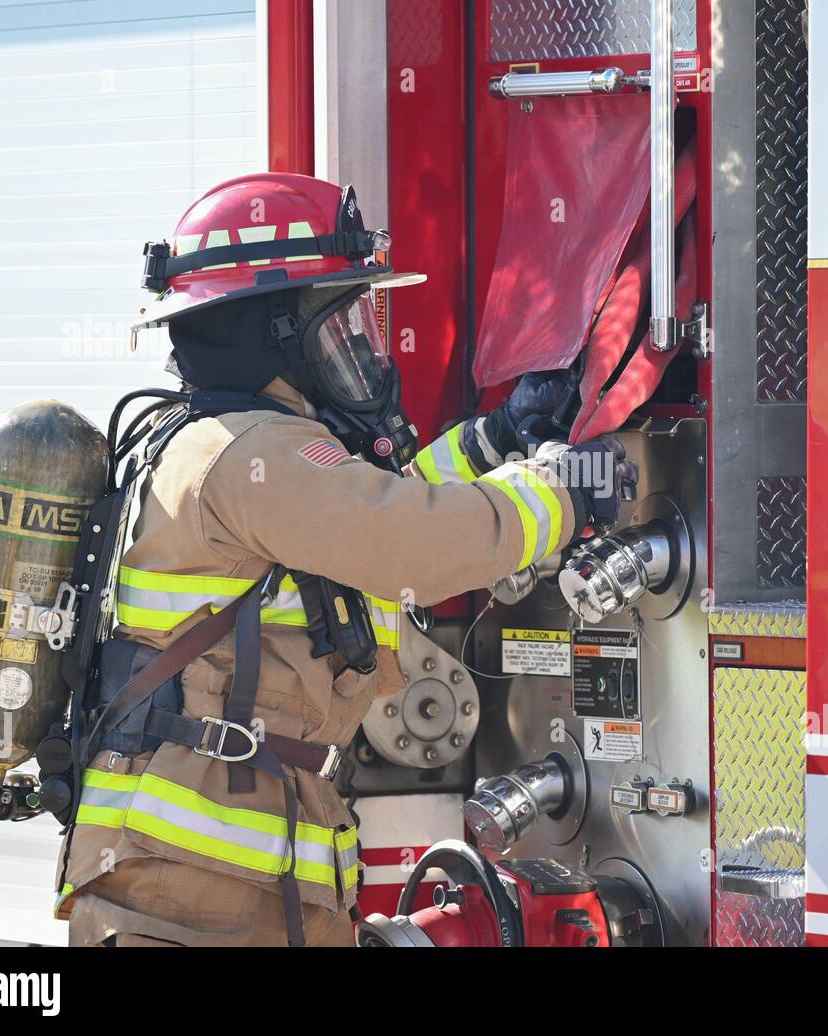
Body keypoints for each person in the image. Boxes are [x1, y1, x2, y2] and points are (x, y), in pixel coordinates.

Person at [56, 173, 628, 946]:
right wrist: (559, 495)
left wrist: (495, 439)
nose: (357, 346)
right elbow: (413, 544)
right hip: (188, 897)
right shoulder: (252, 453)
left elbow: (370, 520)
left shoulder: (237, 447)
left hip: (204, 889)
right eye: (337, 323)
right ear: (271, 333)